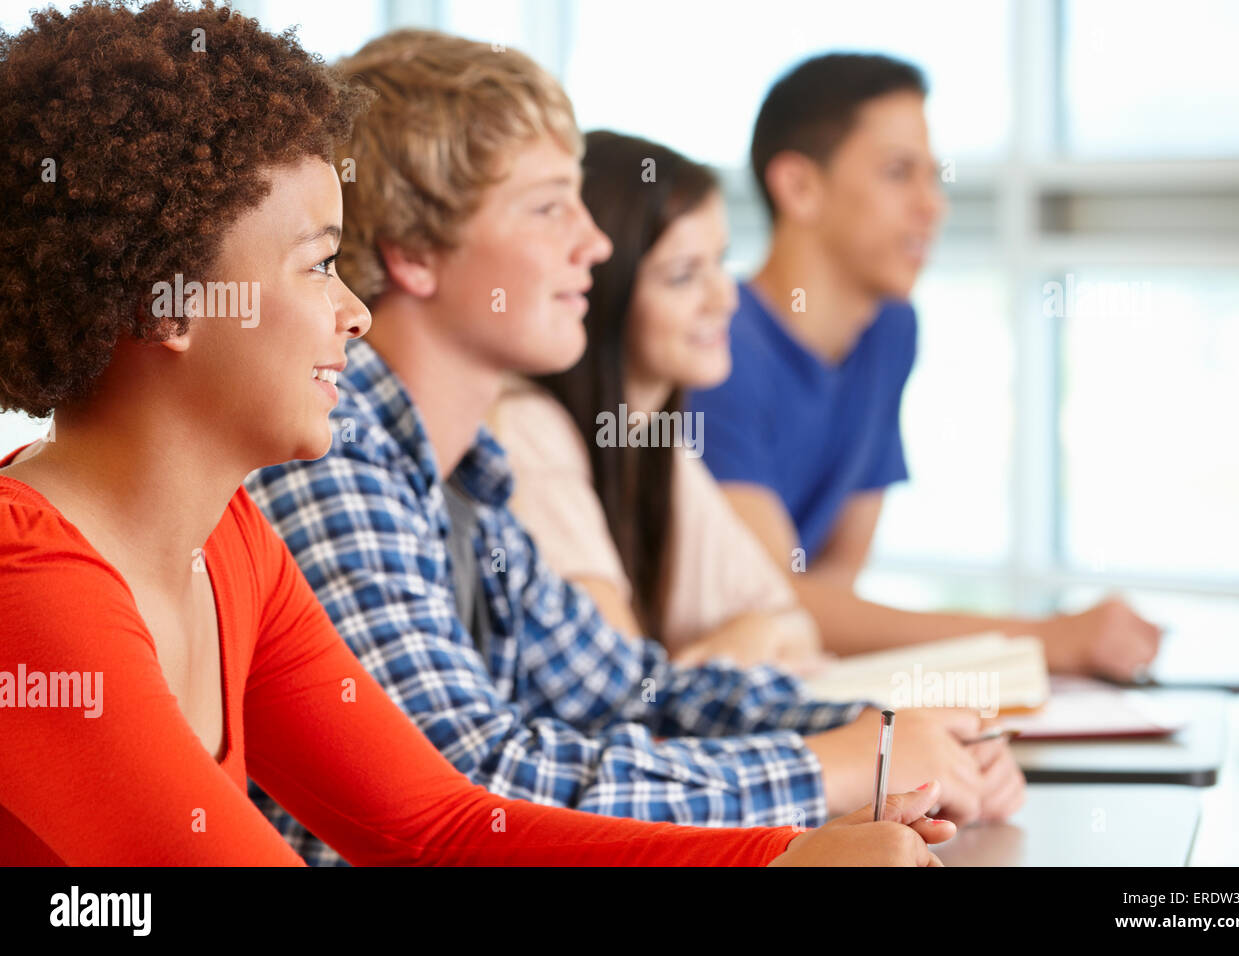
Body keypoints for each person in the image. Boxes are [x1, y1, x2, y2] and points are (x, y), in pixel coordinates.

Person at [0, 0, 953, 867]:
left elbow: (435, 826)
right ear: (170, 301)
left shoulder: (230, 543)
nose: (354, 313)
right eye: (318, 266)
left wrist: (781, 862)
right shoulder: (31, 589)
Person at [242, 29, 1022, 865]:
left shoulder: (465, 477)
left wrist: (886, 733)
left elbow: (628, 694)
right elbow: (470, 789)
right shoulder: (335, 451)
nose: (597, 244)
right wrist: (825, 767)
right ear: (416, 253)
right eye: (548, 208)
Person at [687, 53, 1162, 680]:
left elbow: (834, 579)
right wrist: (1047, 639)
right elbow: (775, 594)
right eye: (897, 173)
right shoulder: (715, 347)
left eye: (932, 177)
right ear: (799, 187)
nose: (931, 205)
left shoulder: (890, 330)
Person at [492, 130, 823, 673]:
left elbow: (792, 624)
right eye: (683, 276)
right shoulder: (527, 425)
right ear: (596, 292)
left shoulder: (651, 442)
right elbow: (618, 675)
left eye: (720, 262)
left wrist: (751, 636)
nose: (726, 297)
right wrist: (738, 652)